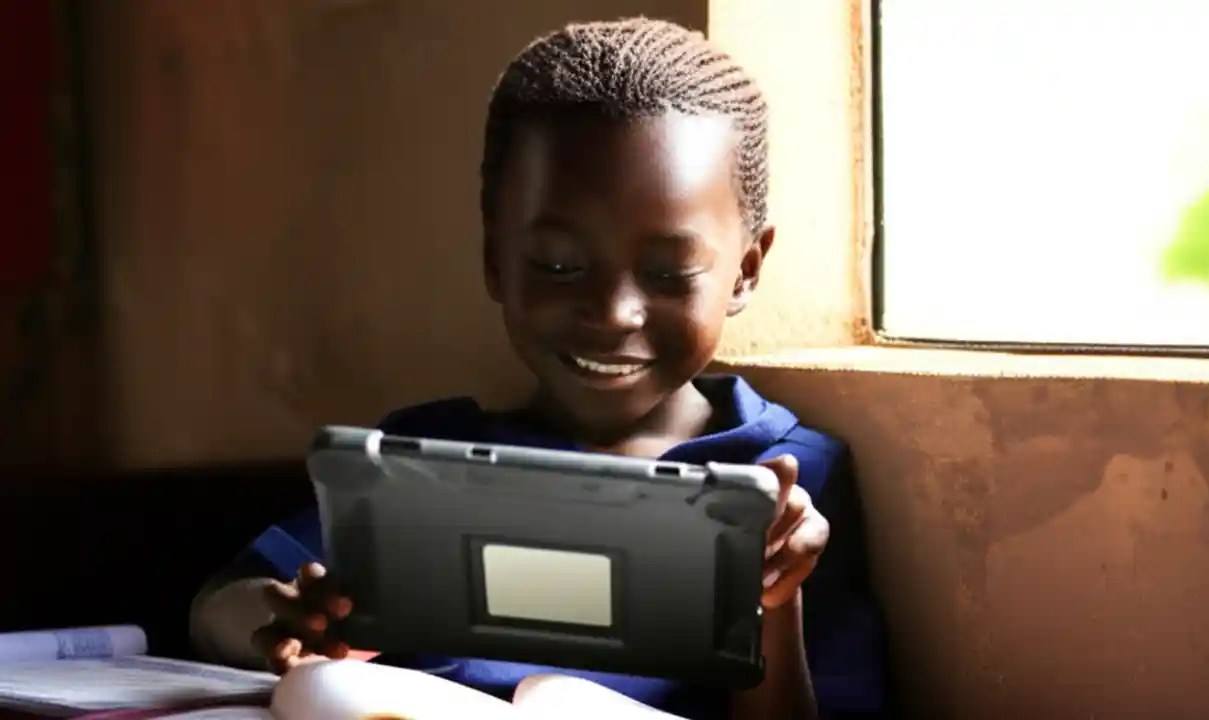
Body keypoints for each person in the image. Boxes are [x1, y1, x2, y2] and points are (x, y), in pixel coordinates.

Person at [189, 16, 885, 719]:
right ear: (496, 259)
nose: (612, 313)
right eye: (557, 265)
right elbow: (219, 606)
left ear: (745, 271)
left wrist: (774, 598)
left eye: (669, 273)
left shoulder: (783, 484)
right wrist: (284, 618)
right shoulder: (426, 461)